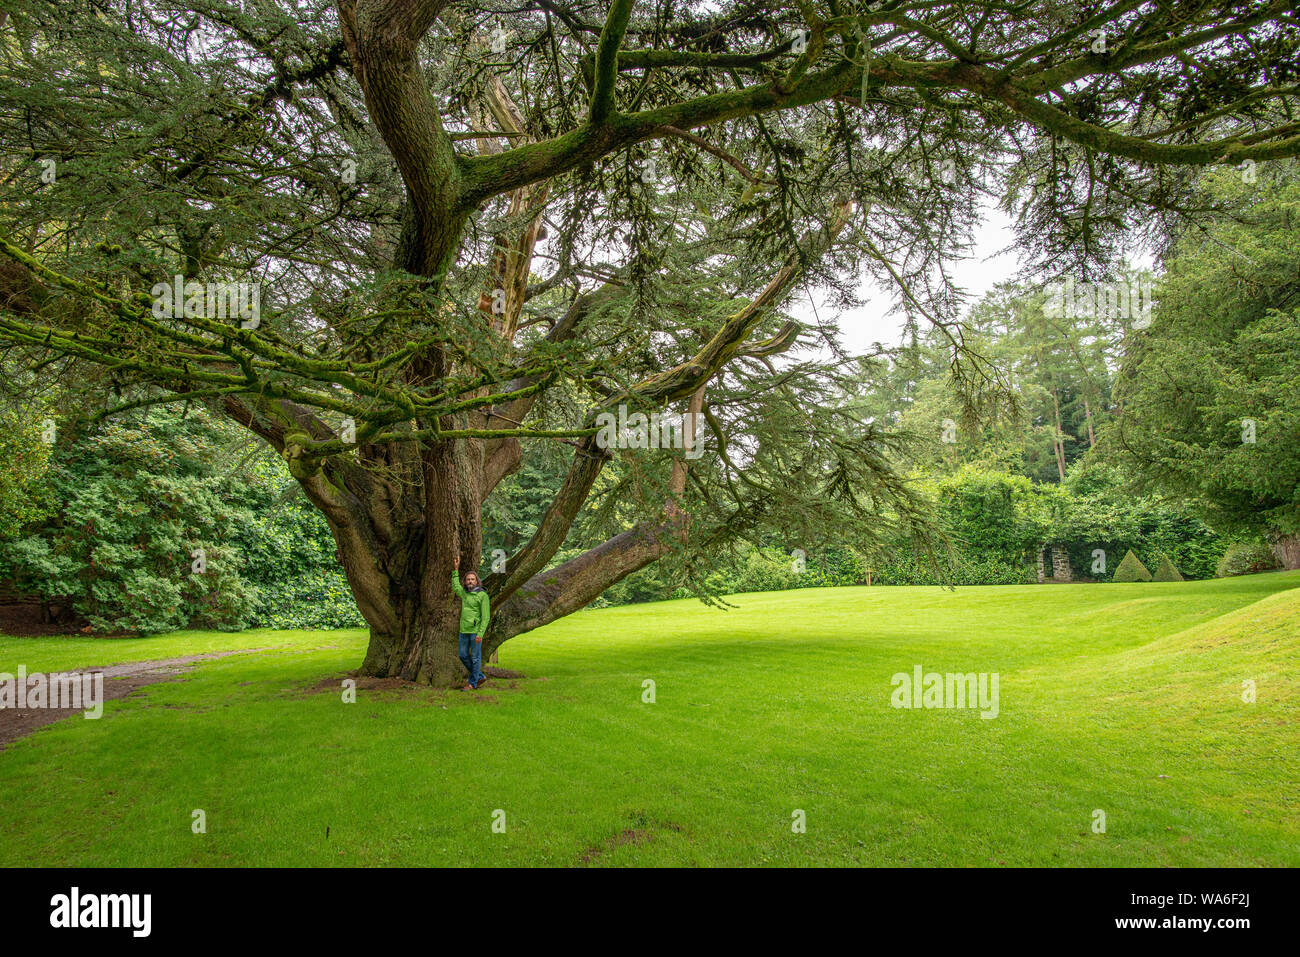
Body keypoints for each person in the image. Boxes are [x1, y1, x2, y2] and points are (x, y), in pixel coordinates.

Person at [451, 556, 491, 690]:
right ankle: (479, 676)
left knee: (475, 658)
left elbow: (485, 617)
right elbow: (456, 586)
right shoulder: (465, 594)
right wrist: (455, 570)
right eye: (468, 579)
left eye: (472, 579)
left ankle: (472, 683)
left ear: (477, 581)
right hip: (464, 630)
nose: (470, 581)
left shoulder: (482, 595)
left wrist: (480, 633)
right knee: (462, 655)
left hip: (475, 632)